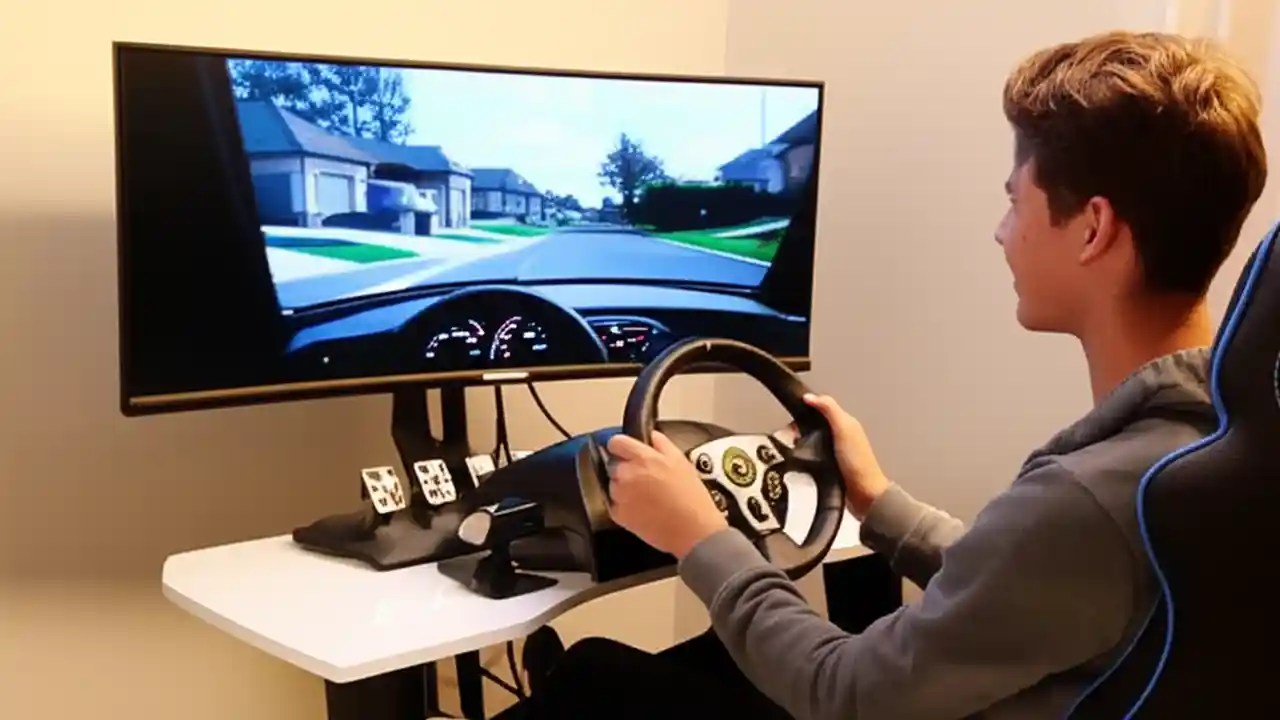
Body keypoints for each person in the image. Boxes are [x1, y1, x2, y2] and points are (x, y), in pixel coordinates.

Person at [495, 29, 1267, 719]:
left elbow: (843, 692)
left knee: (598, 678)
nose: (1001, 232)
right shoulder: (1211, 443)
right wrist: (878, 502)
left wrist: (696, 533)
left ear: (1093, 228)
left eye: (1015, 202)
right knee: (716, 657)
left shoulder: (1086, 497)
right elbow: (1021, 591)